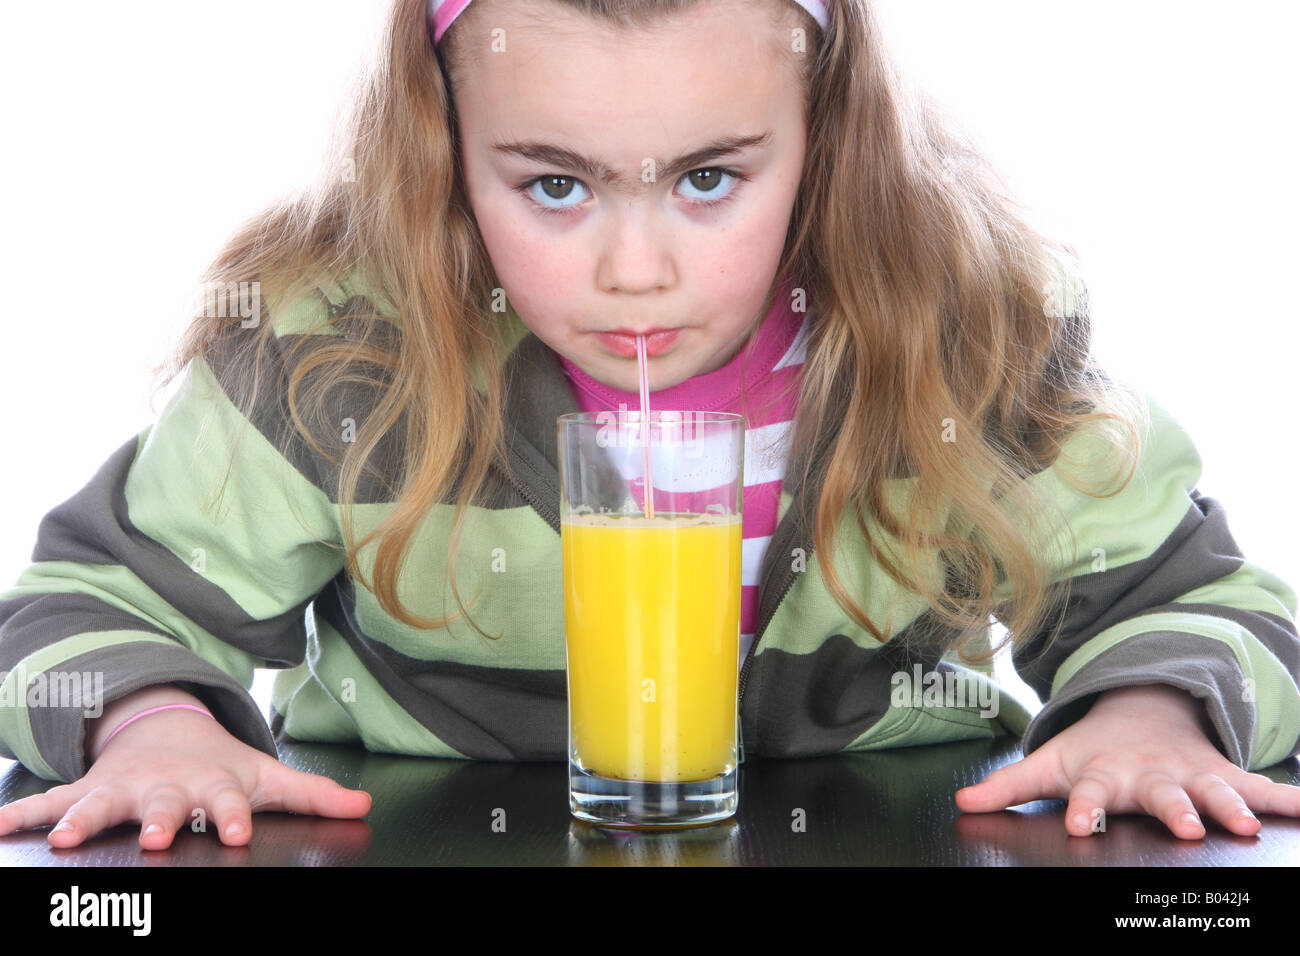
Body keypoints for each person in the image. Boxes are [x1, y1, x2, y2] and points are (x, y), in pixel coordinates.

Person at [1, 0, 1297, 852]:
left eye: (710, 179)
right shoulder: (338, 358)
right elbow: (91, 607)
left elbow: (1205, 604)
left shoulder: (965, 337)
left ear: (828, 136)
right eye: (554, 185)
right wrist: (155, 725)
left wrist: (1155, 712)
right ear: (446, 150)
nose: (636, 271)